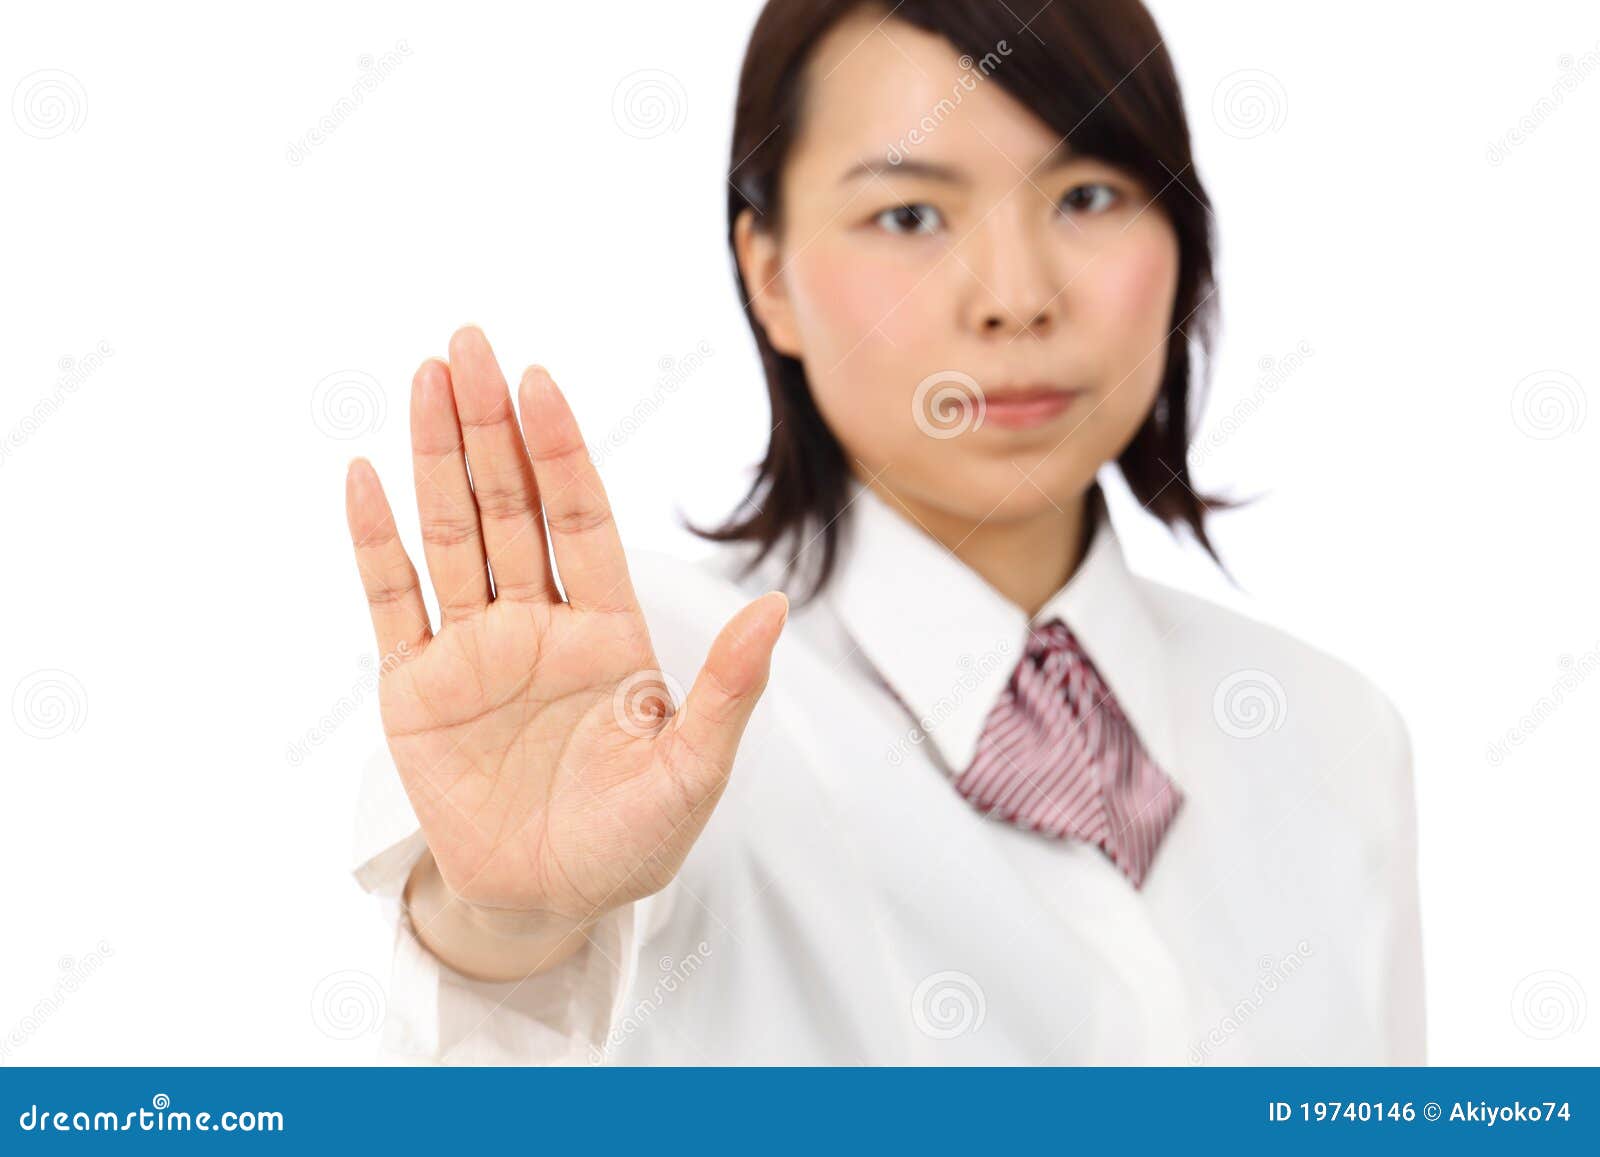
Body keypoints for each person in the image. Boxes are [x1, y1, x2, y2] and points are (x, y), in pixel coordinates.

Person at [344, 0, 1425, 1065]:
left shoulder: (1334, 734)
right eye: (909, 215)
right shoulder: (636, 689)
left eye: (1089, 195)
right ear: (767, 273)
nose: (1014, 298)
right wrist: (505, 935)